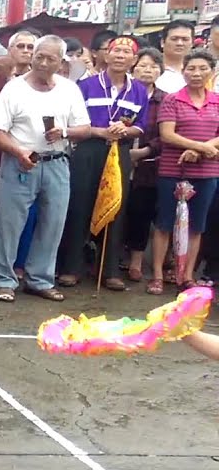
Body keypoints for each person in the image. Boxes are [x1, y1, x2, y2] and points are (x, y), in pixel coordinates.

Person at [0, 35, 92, 303]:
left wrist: (64, 131)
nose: (43, 63)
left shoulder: (69, 89)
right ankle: (4, 280)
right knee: (9, 224)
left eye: (50, 58)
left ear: (61, 61)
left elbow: (85, 128)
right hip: (20, 161)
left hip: (57, 162)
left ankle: (40, 279)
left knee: (52, 223)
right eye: (39, 56)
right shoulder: (14, 88)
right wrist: (18, 152)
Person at [57, 36, 147, 291]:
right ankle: (71, 267)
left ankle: (109, 270)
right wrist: (100, 132)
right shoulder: (85, 86)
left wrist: (125, 131)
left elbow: (142, 126)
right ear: (104, 56)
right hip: (89, 150)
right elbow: (74, 123)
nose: (120, 56)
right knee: (79, 206)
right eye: (115, 51)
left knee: (116, 207)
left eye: (126, 52)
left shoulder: (138, 90)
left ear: (133, 60)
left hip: (120, 152)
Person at [149, 49, 219, 292]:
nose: (196, 73)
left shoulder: (217, 100)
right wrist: (197, 146)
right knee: (165, 223)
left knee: (197, 226)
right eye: (191, 68)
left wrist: (200, 150)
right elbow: (167, 134)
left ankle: (186, 275)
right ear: (183, 71)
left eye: (202, 68)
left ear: (212, 71)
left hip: (208, 171)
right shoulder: (172, 99)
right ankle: (158, 275)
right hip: (173, 170)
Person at [125, 49, 166, 284]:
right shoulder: (125, 94)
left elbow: (168, 133)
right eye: (142, 65)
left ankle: (136, 263)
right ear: (133, 67)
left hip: (149, 166)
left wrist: (145, 151)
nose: (147, 70)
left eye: (153, 66)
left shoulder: (165, 99)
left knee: (142, 213)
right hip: (118, 159)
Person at [157, 20, 194, 94]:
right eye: (174, 39)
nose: (180, 43)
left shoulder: (198, 70)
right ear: (162, 42)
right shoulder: (151, 69)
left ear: (192, 43)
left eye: (185, 39)